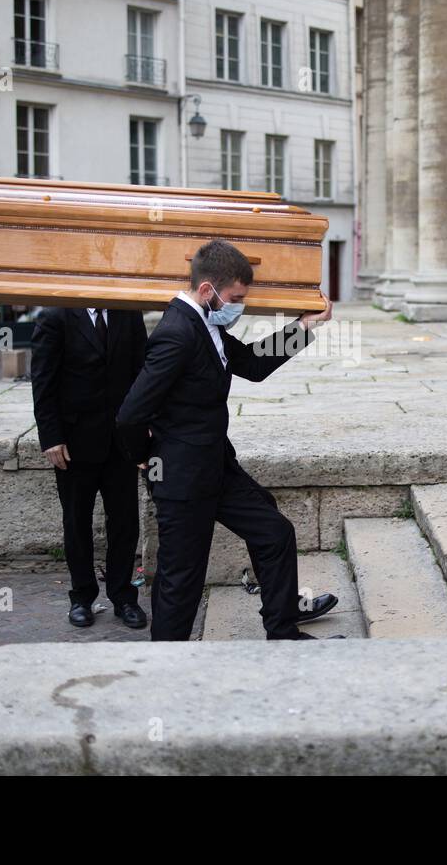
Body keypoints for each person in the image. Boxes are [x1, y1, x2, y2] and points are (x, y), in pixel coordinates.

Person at [116, 240, 338, 641]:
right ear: (207, 291)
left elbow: (251, 365)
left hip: (215, 466)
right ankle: (167, 660)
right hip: (183, 479)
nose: (239, 305)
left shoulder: (208, 324)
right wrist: (145, 459)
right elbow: (131, 413)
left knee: (274, 532)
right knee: (181, 576)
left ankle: (282, 628)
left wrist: (304, 326)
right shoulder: (177, 333)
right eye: (235, 298)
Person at [31, 303, 150, 629]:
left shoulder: (128, 312)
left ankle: (124, 597)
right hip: (73, 444)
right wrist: (50, 437)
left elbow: (143, 371)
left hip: (121, 442)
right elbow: (43, 380)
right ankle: (81, 597)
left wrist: (145, 426)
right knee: (76, 523)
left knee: (125, 523)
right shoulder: (55, 315)